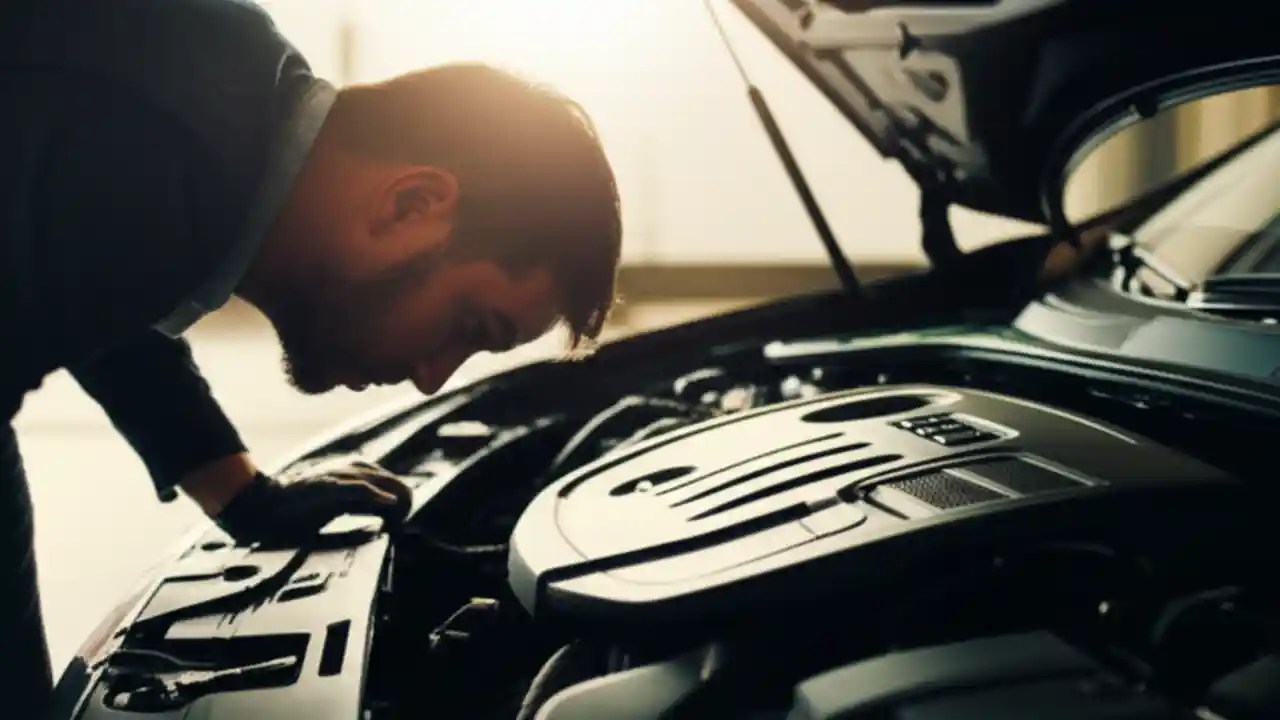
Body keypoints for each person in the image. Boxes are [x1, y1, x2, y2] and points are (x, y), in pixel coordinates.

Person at [0, 0, 622, 715]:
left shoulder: (198, 111)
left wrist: (242, 495)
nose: (433, 379)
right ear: (410, 205)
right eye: (468, 325)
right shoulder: (144, 132)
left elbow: (98, 277)